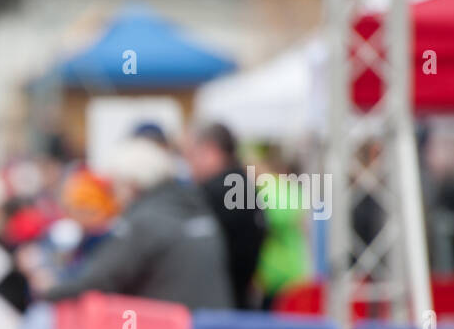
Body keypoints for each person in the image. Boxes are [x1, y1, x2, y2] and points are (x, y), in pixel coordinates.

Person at [39, 136, 233, 310]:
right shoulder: (194, 207)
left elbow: (102, 276)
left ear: (132, 184)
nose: (116, 197)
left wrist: (50, 288)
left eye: (117, 186)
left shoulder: (147, 219)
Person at [185, 122, 266, 309]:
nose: (190, 165)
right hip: (241, 296)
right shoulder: (243, 184)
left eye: (192, 155)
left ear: (211, 151)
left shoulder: (214, 192)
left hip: (218, 302)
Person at [254, 148, 313, 310]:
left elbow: (275, 219)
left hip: (274, 272)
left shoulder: (268, 188)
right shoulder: (295, 191)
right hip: (295, 269)